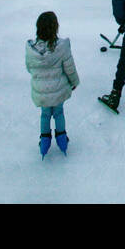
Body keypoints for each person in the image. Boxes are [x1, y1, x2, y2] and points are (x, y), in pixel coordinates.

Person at [25, 11, 78, 155]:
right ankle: (62, 139)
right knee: (59, 113)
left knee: (45, 115)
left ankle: (44, 141)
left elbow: (29, 68)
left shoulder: (31, 49)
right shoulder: (62, 46)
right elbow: (69, 68)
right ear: (55, 27)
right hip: (58, 90)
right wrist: (74, 82)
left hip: (41, 92)